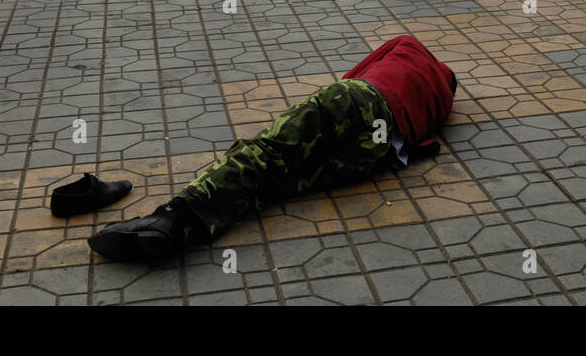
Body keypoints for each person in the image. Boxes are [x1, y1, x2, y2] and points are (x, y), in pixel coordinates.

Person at [87, 35, 455, 262]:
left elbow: (354, 75)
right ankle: (182, 233)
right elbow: (423, 140)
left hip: (359, 99)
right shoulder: (443, 99)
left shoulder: (409, 46)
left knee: (265, 154)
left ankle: (172, 216)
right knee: (279, 181)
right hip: (378, 151)